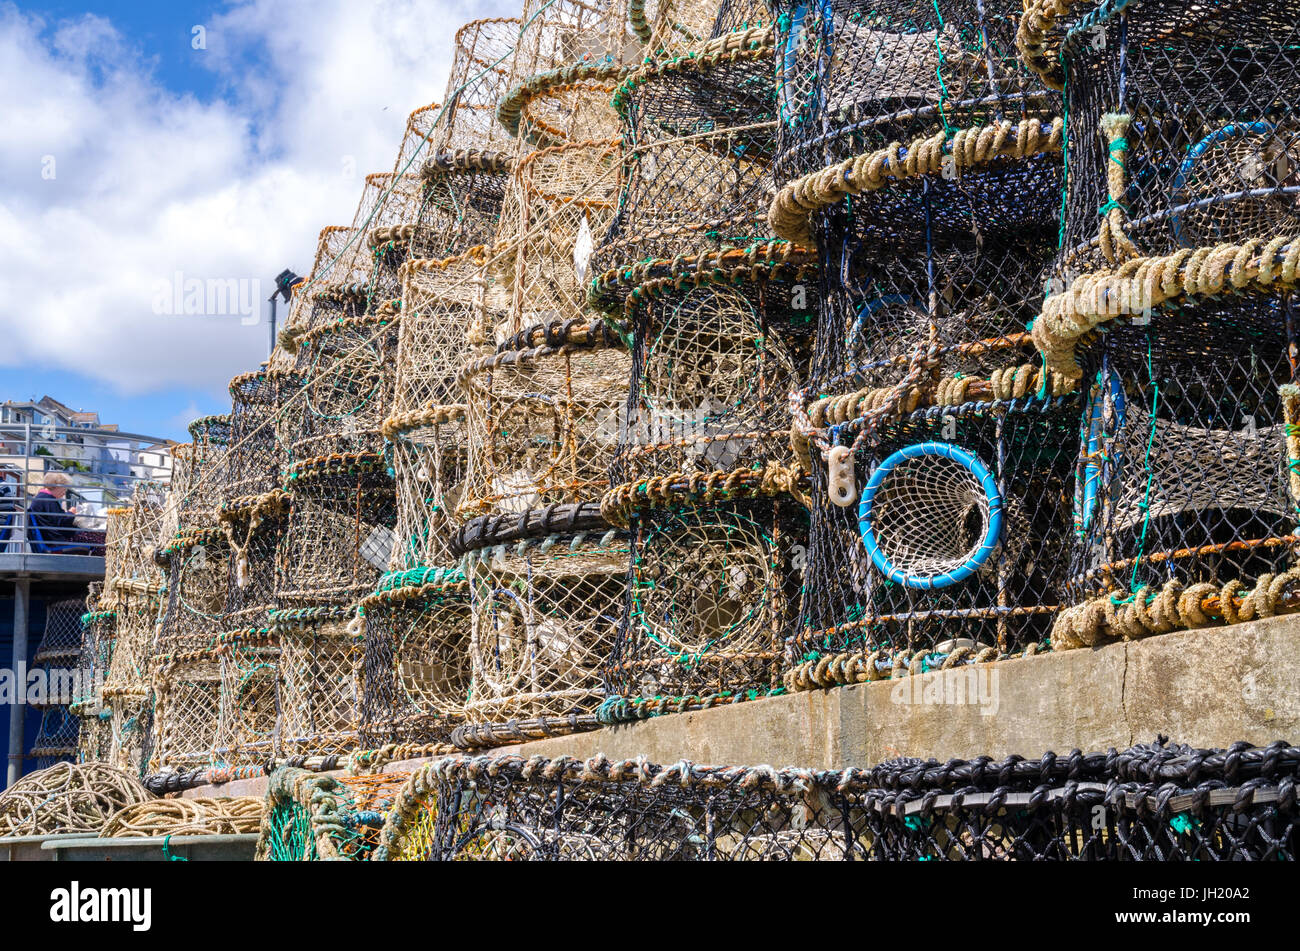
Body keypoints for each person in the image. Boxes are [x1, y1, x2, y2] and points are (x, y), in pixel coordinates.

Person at [28, 471, 79, 552]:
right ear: (57, 486)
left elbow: (55, 520)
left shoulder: (42, 498)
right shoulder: (48, 499)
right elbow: (61, 522)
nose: (64, 492)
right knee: (97, 539)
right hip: (57, 541)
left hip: (51, 539)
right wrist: (71, 513)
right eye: (64, 488)